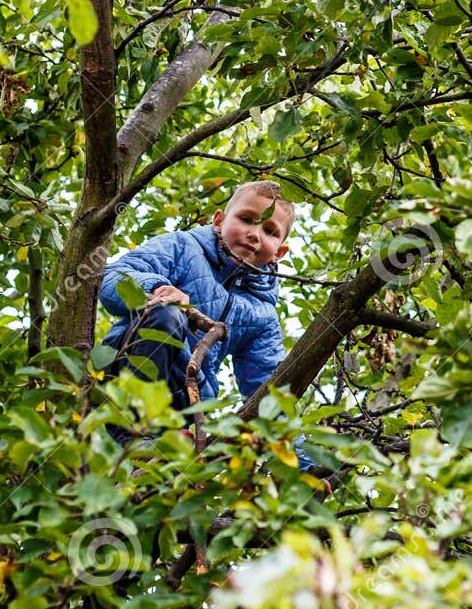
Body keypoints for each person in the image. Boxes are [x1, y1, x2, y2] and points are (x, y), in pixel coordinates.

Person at [97, 180, 312, 467]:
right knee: (167, 314)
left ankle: (166, 446)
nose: (254, 234)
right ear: (219, 221)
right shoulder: (182, 246)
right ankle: (130, 432)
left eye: (269, 231)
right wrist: (157, 289)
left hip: (183, 402)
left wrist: (304, 467)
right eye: (247, 219)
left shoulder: (262, 313)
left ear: (279, 252)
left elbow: (270, 394)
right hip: (126, 369)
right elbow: (113, 277)